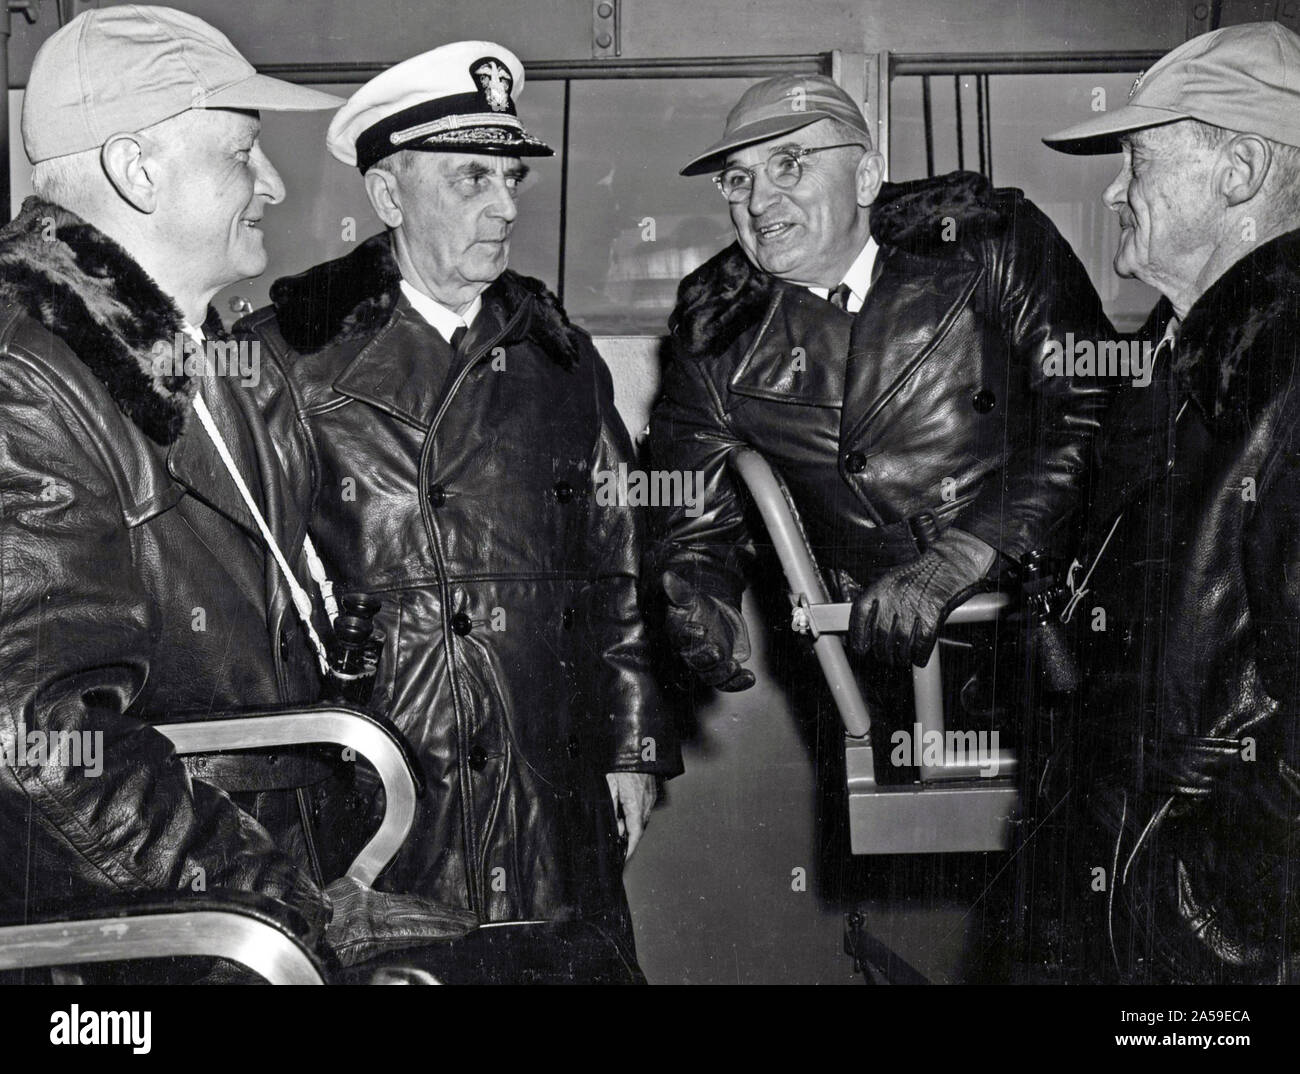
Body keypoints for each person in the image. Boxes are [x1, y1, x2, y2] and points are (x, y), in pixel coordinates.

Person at [0, 5, 466, 977]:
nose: (276, 185)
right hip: (147, 935)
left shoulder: (213, 365)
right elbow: (39, 740)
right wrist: (284, 909)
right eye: (241, 155)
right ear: (136, 170)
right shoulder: (25, 380)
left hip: (237, 876)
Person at [236, 41, 681, 974]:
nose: (506, 206)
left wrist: (631, 747)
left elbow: (618, 558)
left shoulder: (559, 355)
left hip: (550, 782)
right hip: (385, 794)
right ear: (391, 196)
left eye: (510, 176)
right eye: (471, 177)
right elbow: (250, 610)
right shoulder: (290, 358)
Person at [646, 73, 1111, 721]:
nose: (758, 201)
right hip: (883, 667)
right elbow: (694, 520)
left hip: (1057, 633)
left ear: (867, 178)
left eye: (789, 163)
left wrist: (966, 551)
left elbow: (1093, 409)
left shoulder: (993, 243)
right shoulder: (715, 336)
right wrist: (703, 595)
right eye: (739, 178)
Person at [1043, 20, 1300, 984]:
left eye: (1138, 161)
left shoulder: (1279, 363)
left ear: (1238, 171)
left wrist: (1218, 903)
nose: (1115, 190)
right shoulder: (1189, 343)